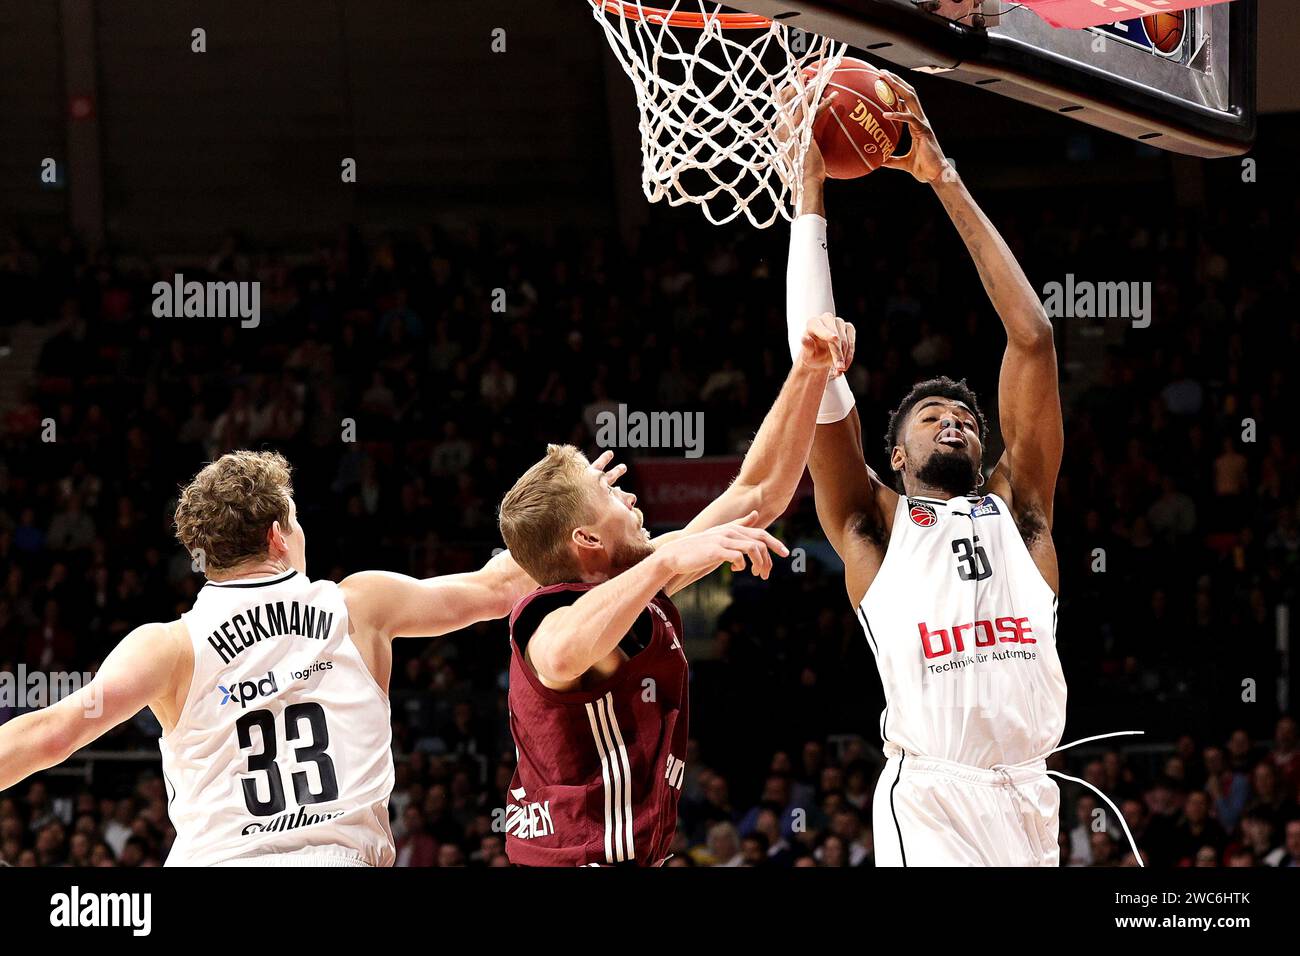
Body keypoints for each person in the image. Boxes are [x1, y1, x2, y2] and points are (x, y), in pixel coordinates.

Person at [786, 70, 1136, 866]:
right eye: (934, 416)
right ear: (897, 455)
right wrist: (811, 197)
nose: (956, 420)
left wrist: (945, 179)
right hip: (935, 800)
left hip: (1032, 794)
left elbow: (1035, 339)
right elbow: (813, 364)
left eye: (968, 420)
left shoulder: (1023, 513)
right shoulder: (872, 528)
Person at [0, 450, 534, 866]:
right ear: (278, 536)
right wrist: (589, 515)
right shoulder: (360, 605)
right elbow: (498, 587)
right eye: (296, 521)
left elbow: (52, 734)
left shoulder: (168, 646)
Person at [495, 313, 854, 866]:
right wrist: (664, 564)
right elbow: (559, 652)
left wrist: (808, 369)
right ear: (585, 537)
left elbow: (759, 491)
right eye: (612, 495)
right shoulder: (549, 611)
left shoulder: (633, 585)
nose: (633, 499)